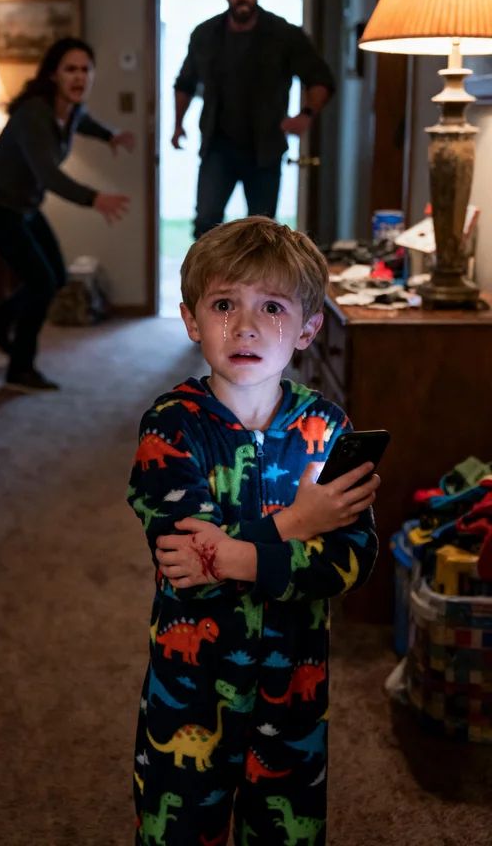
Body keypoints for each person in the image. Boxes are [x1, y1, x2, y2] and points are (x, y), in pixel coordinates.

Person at [127, 216, 379, 845]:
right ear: (191, 320)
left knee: (286, 834)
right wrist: (300, 522)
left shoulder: (328, 428)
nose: (245, 326)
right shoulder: (170, 427)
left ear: (308, 330)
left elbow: (351, 560)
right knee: (178, 829)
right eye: (223, 305)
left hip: (294, 688)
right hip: (190, 689)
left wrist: (232, 554)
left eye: (272, 307)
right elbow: (184, 560)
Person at [0, 36, 134, 392]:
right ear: (53, 75)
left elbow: (84, 121)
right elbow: (49, 175)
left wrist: (111, 135)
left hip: (23, 206)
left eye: (85, 70)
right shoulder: (34, 114)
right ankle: (20, 368)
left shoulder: (70, 110)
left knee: (55, 277)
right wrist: (94, 198)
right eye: (70, 69)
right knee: (41, 282)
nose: (79, 77)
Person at [173, 0, 335, 239]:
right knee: (206, 224)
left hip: (265, 148)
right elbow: (184, 83)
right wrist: (178, 125)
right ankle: (206, 270)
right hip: (217, 146)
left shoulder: (283, 34)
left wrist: (306, 114)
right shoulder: (205, 34)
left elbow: (321, 79)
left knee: (263, 233)